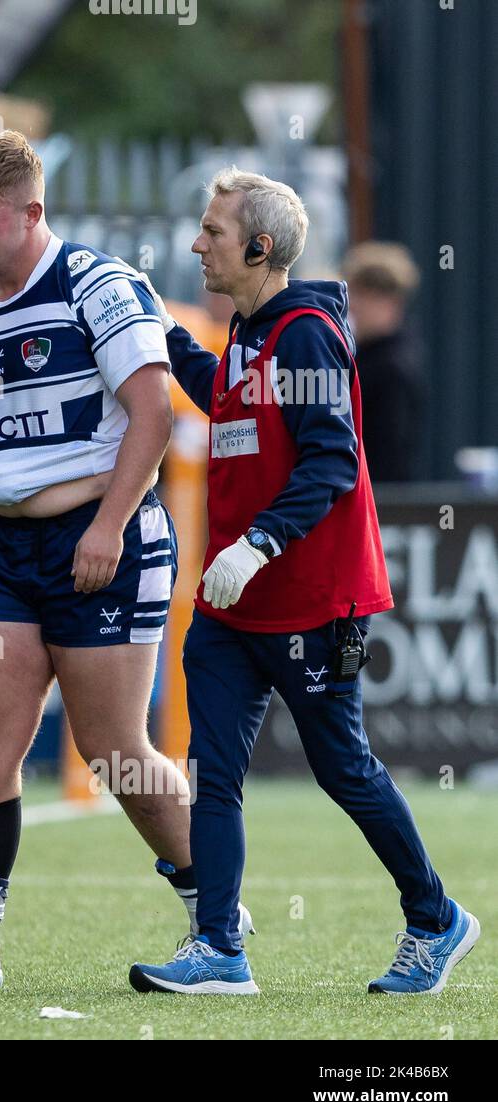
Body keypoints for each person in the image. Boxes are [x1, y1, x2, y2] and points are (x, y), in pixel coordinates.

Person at [0, 131, 251, 991]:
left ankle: (217, 912)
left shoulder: (97, 283)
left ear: (31, 213)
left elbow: (153, 417)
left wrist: (100, 517)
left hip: (110, 537)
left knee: (110, 747)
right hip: (6, 549)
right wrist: (50, 480)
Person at [129, 168, 478, 995]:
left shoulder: (308, 333)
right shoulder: (251, 333)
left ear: (259, 246)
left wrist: (252, 546)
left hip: (308, 601)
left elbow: (331, 459)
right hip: (234, 607)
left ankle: (436, 918)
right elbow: (224, 398)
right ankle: (219, 949)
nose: (196, 244)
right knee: (212, 769)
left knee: (343, 769)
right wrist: (156, 325)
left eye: (211, 233)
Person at [342, 241, 424, 483]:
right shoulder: (362, 354)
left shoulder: (392, 368)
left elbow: (391, 456)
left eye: (361, 295)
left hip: (379, 504)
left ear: (388, 301)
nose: (352, 306)